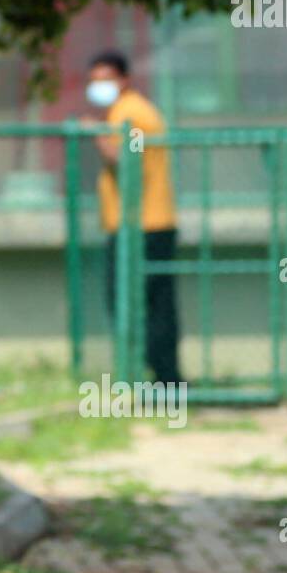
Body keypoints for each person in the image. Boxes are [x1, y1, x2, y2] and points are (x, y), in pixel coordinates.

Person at [85, 50, 182, 385]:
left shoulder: (131, 112)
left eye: (106, 80)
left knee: (142, 305)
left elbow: (127, 160)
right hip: (136, 225)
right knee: (147, 304)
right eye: (94, 81)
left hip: (144, 226)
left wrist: (95, 134)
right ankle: (159, 377)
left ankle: (163, 378)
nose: (99, 88)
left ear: (125, 80)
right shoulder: (121, 111)